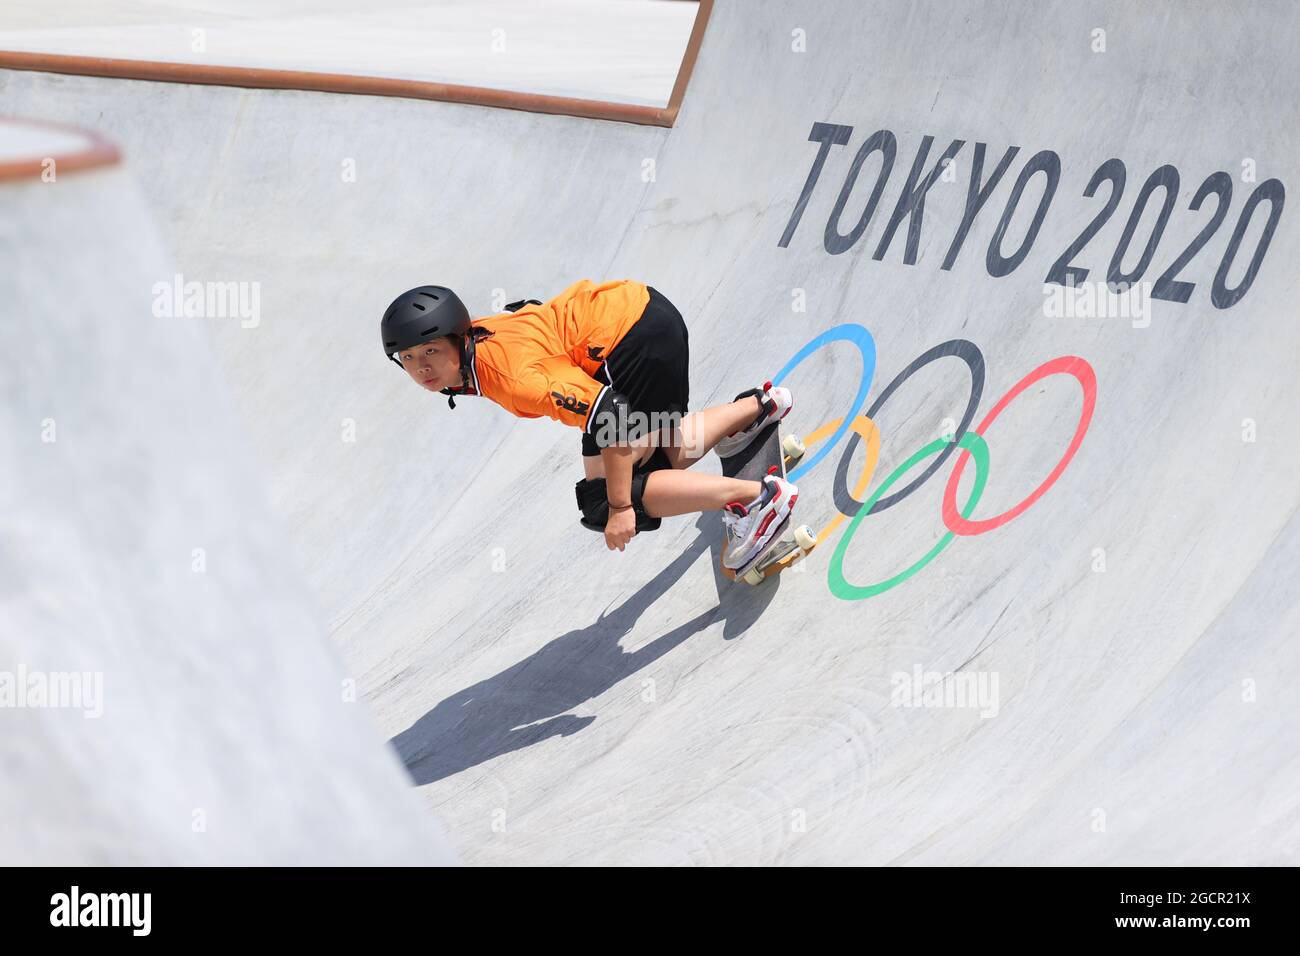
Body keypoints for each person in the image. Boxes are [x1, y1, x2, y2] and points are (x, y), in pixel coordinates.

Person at [381, 279, 798, 570]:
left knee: (621, 491)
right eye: (409, 358)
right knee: (631, 463)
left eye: (431, 350)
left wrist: (620, 510)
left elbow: (611, 415)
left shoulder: (511, 380)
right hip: (641, 313)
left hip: (635, 344)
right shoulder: (484, 333)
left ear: (458, 339)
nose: (422, 368)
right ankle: (758, 408)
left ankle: (759, 499)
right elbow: (527, 309)